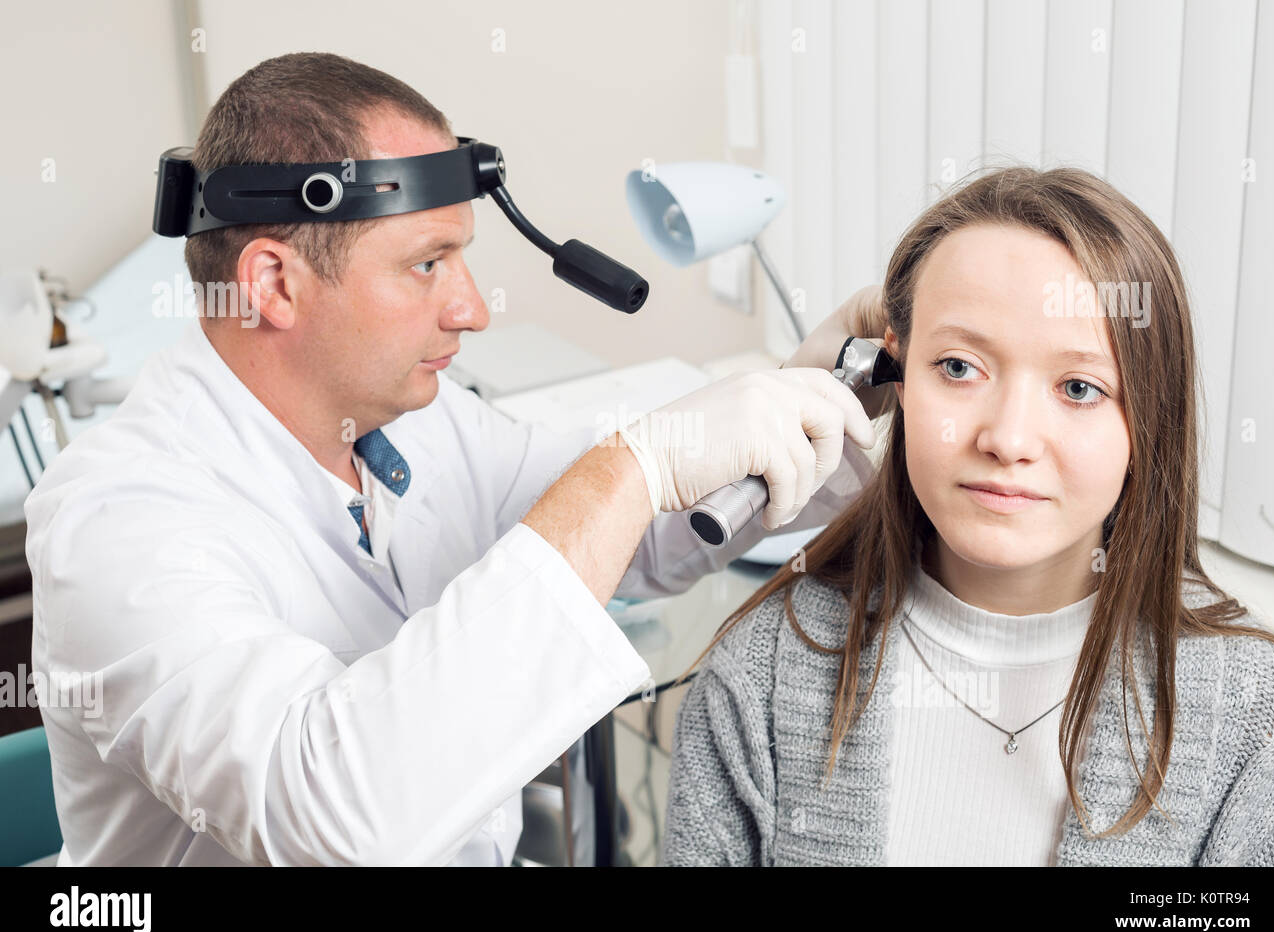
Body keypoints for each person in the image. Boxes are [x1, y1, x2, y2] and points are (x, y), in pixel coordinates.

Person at [23, 52, 884, 866]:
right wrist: (632, 467)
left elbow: (632, 535)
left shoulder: (418, 424)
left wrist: (812, 395)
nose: (471, 310)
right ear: (273, 285)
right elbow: (335, 816)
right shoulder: (117, 524)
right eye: (427, 264)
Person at [662, 165, 1274, 866]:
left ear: (1148, 421)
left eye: (1079, 387)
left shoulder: (1257, 717)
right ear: (893, 377)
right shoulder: (761, 677)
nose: (1008, 439)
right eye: (960, 368)